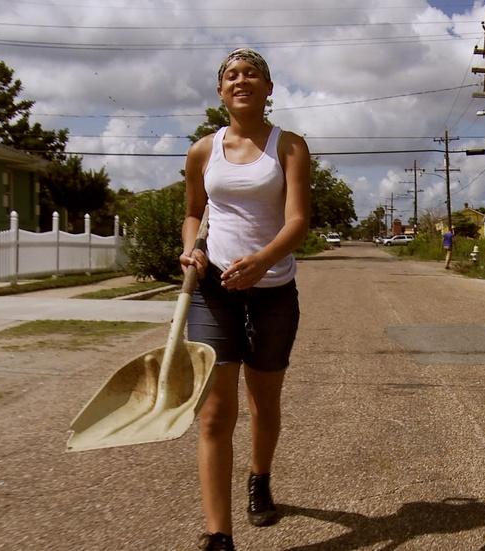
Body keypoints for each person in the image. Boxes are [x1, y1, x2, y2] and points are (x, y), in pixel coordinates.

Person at [180, 48, 311, 551]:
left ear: (268, 88)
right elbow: (194, 213)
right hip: (213, 292)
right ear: (220, 91)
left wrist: (262, 260)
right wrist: (191, 250)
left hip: (274, 292)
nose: (241, 80)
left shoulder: (290, 147)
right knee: (214, 414)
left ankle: (259, 477)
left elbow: (298, 220)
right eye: (231, 75)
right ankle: (219, 535)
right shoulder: (201, 151)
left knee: (263, 402)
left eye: (251, 73)